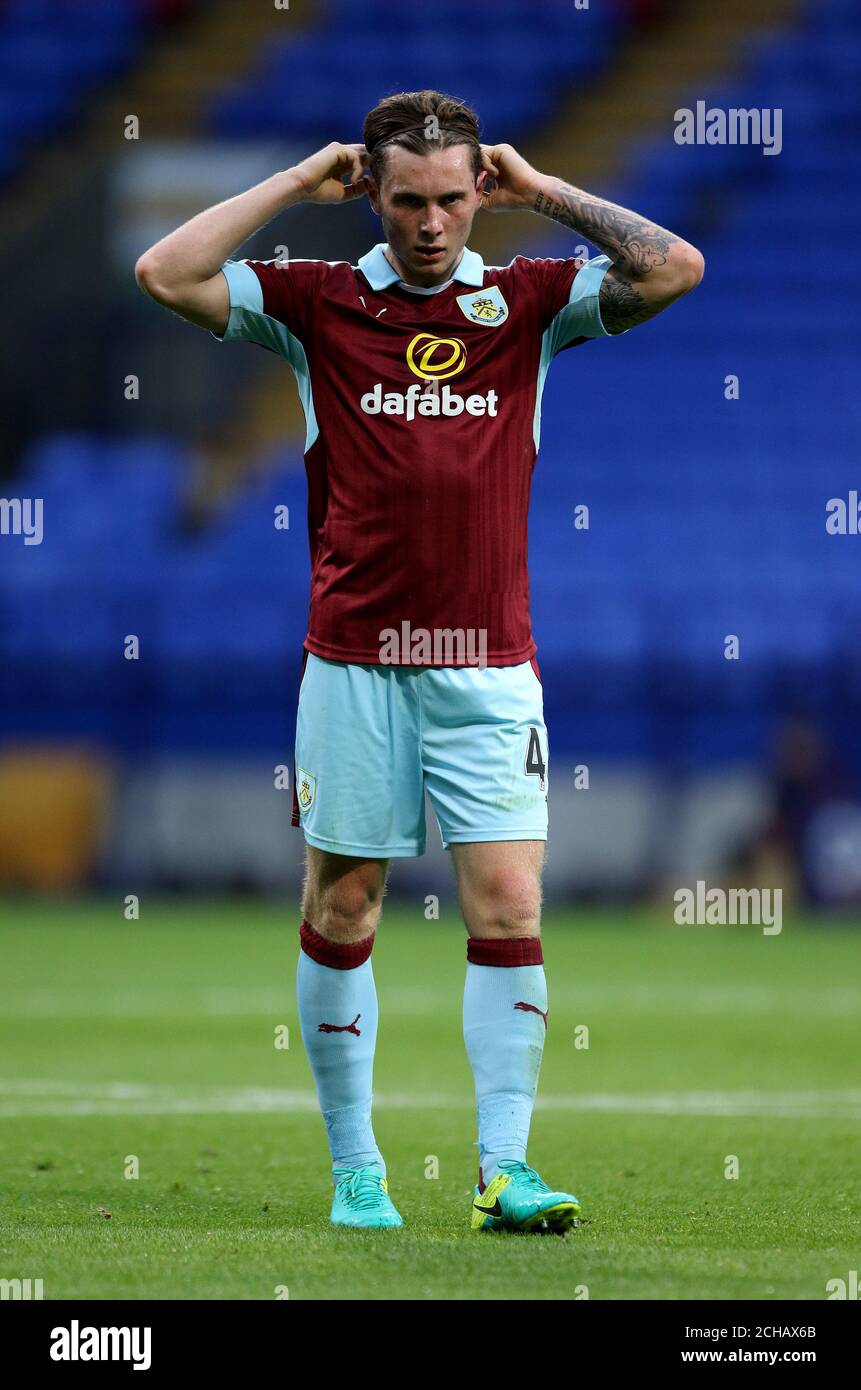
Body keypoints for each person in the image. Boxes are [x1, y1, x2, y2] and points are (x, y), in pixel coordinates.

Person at [135, 89, 704, 1233]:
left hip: (488, 669)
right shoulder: (315, 301)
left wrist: (542, 190)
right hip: (352, 664)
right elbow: (166, 271)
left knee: (505, 896)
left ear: (478, 193)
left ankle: (505, 1168)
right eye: (407, 201)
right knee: (344, 907)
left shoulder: (531, 302)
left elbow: (671, 267)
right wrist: (300, 179)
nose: (431, 223)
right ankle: (358, 1173)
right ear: (374, 196)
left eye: (452, 199)